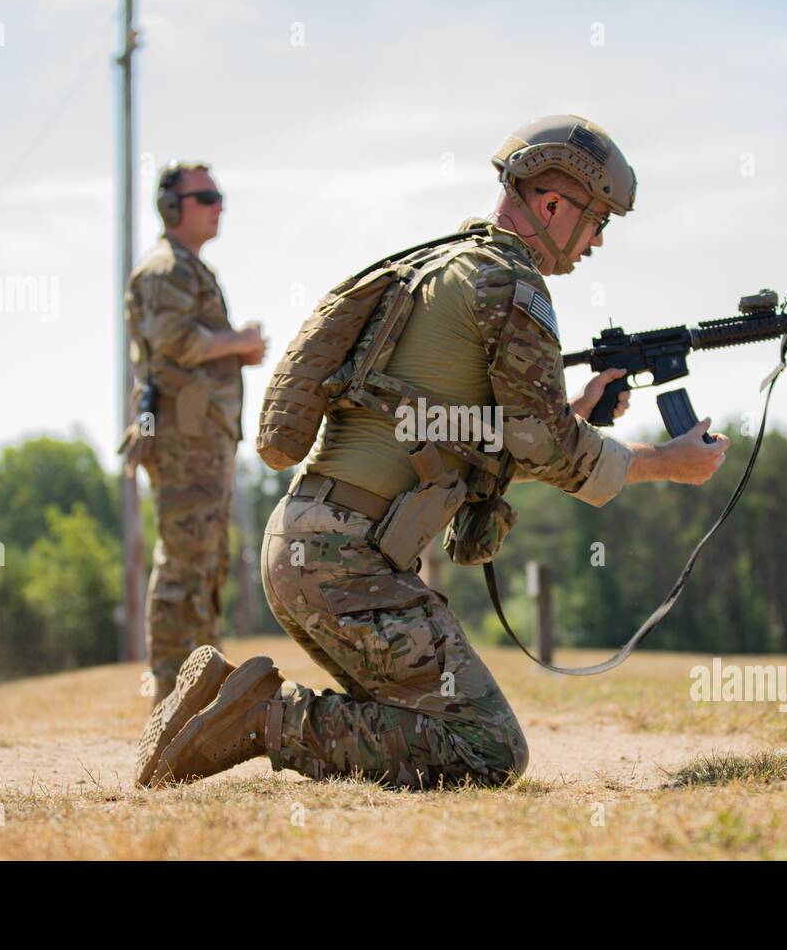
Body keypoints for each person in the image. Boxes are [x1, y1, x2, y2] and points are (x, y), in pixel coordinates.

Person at [137, 117, 730, 790]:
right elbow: (550, 449)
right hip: (347, 564)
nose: (596, 241)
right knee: (486, 747)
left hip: (308, 546)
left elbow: (470, 436)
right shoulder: (511, 282)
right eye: (597, 220)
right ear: (553, 204)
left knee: (420, 716)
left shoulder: (435, 265)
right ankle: (256, 720)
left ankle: (226, 700)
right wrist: (665, 462)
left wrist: (575, 415)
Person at [119, 160, 268, 708]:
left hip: (201, 434)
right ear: (172, 207)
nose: (217, 205)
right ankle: (168, 692)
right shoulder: (165, 270)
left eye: (218, 195)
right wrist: (240, 341)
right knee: (185, 562)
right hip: (184, 438)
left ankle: (198, 689)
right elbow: (177, 342)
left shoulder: (188, 268)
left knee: (207, 560)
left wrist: (236, 348)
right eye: (205, 196)